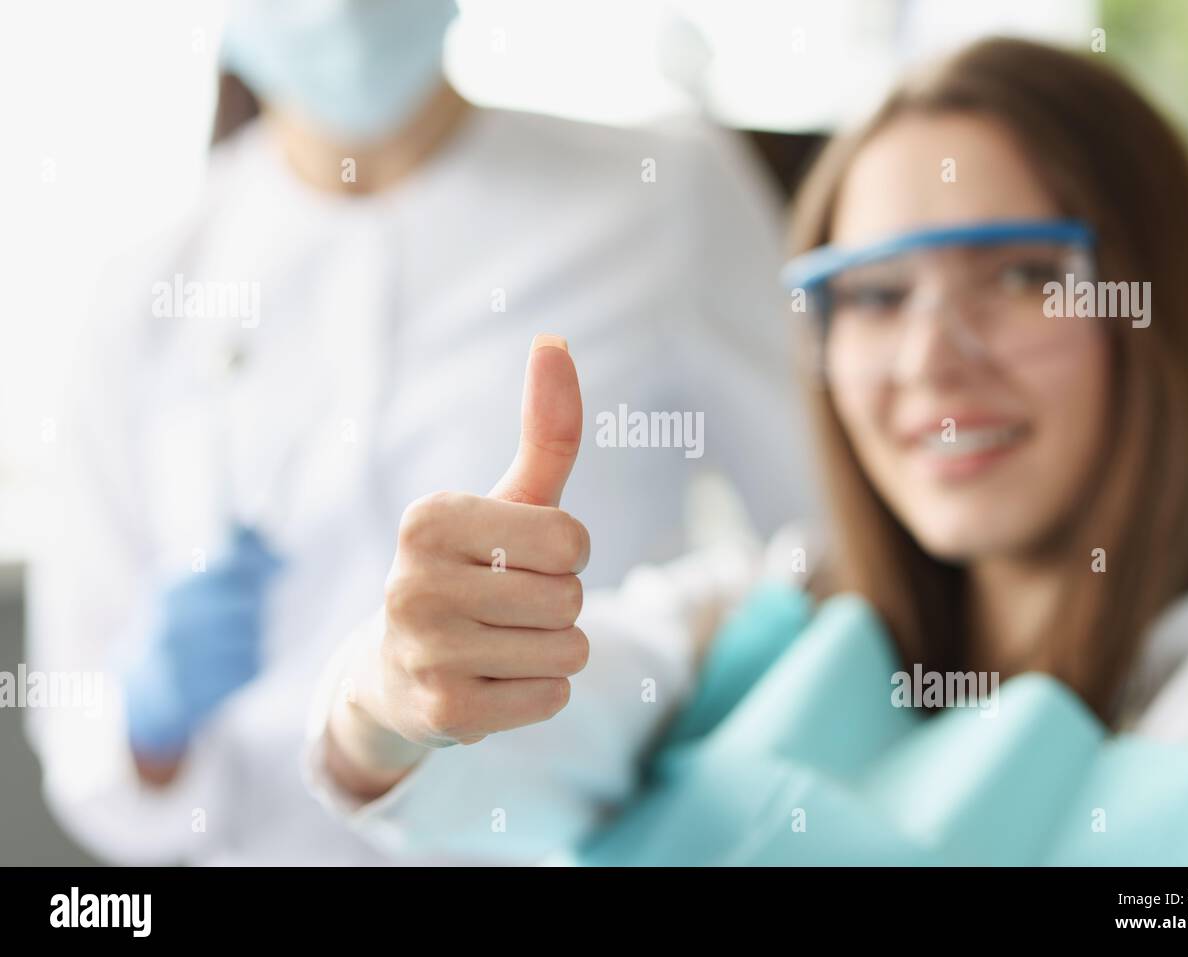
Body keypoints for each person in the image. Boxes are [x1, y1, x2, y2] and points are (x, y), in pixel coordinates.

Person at [305, 38, 1188, 865]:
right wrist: (391, 693)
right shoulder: (739, 626)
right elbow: (471, 753)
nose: (927, 361)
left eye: (1020, 275)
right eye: (873, 295)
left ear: (1154, 303)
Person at [25, 0, 812, 865]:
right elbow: (90, 759)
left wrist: (683, 638)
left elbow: (835, 537)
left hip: (577, 839)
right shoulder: (145, 290)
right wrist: (147, 722)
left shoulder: (666, 197)